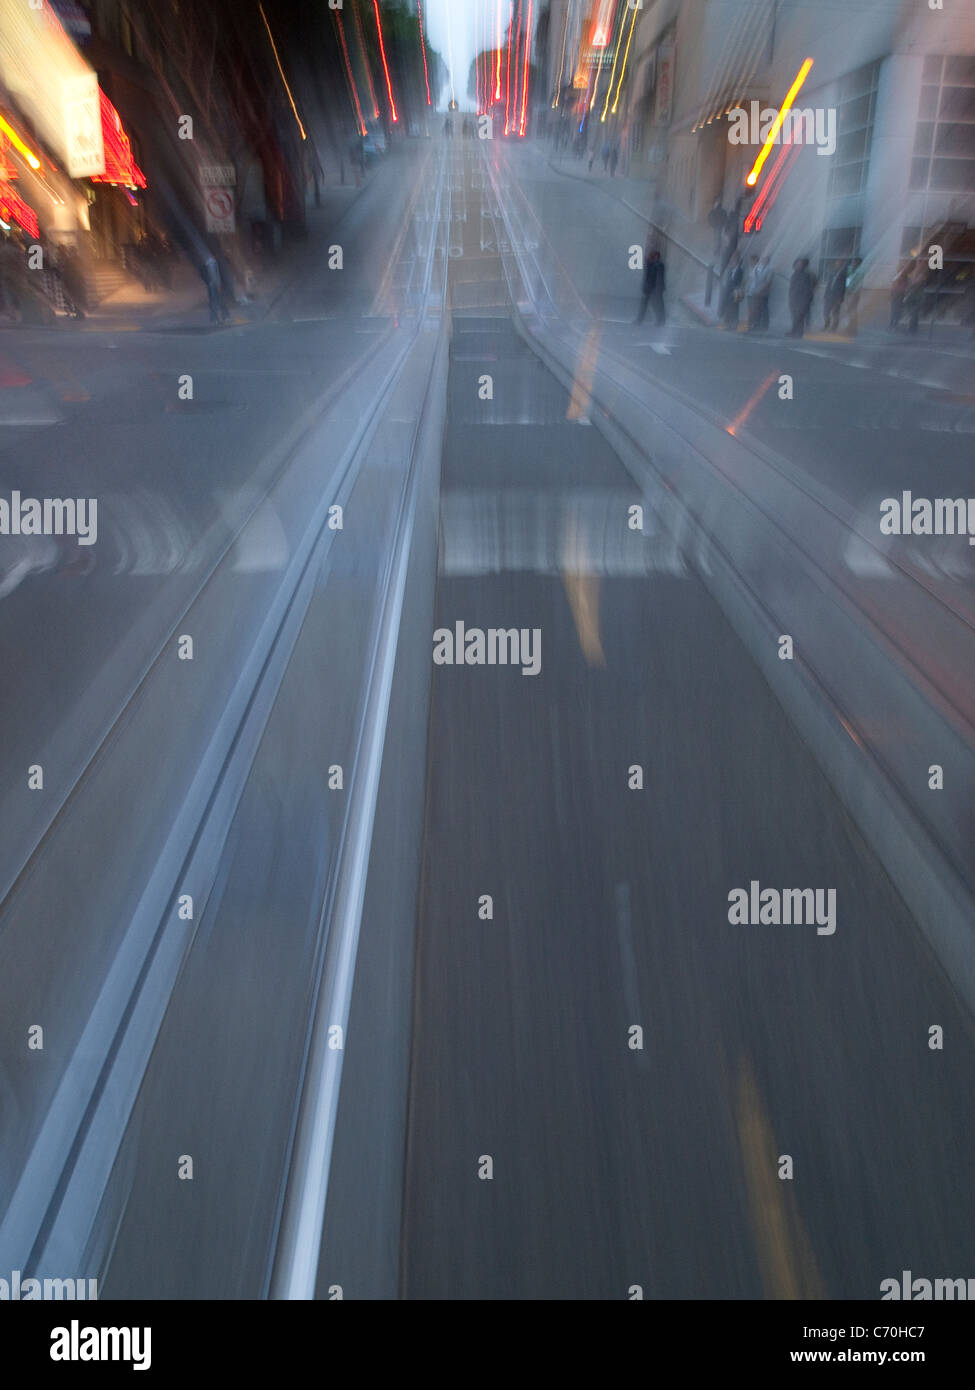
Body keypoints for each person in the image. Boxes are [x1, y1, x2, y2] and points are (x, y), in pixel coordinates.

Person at [787, 257, 817, 337]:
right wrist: (791, 296)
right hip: (794, 298)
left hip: (803, 299)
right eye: (797, 264)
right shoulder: (795, 274)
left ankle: (797, 331)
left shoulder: (807, 275)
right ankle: (796, 331)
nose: (797, 265)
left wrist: (807, 298)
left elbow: (809, 287)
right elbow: (792, 287)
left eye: (799, 264)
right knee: (795, 315)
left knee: (799, 315)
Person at [635, 249, 666, 325]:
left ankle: (660, 320)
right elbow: (649, 277)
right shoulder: (652, 264)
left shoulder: (658, 265)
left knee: (657, 305)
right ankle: (659, 321)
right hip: (651, 288)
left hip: (654, 288)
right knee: (652, 304)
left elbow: (657, 278)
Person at [746, 253, 774, 331]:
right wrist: (747, 289)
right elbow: (750, 280)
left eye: (766, 260)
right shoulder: (756, 268)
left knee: (763, 309)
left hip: (762, 294)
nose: (764, 261)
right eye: (763, 259)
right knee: (753, 309)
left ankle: (764, 325)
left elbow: (768, 282)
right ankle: (754, 324)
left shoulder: (770, 270)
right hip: (752, 292)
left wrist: (760, 291)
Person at [719, 251, 744, 330]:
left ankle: (734, 324)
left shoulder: (740, 270)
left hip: (734, 291)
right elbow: (727, 280)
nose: (733, 260)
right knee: (728, 307)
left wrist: (734, 289)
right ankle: (728, 324)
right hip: (728, 291)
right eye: (733, 258)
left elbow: (738, 282)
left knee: (734, 308)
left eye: (735, 259)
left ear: (738, 260)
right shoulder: (731, 270)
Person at [823, 259, 847, 331]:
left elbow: (844, 287)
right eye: (836, 263)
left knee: (835, 312)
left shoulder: (844, 274)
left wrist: (841, 297)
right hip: (829, 296)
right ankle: (827, 325)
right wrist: (825, 295)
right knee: (826, 311)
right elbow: (829, 285)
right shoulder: (832, 273)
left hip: (837, 296)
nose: (837, 265)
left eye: (839, 264)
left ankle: (834, 327)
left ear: (842, 265)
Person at [889, 260, 913, 331]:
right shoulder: (896, 276)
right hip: (896, 295)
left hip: (900, 295)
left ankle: (895, 324)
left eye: (900, 268)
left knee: (897, 310)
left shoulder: (905, 278)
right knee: (894, 310)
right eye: (898, 268)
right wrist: (891, 293)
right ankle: (892, 324)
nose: (898, 270)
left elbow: (907, 287)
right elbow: (893, 286)